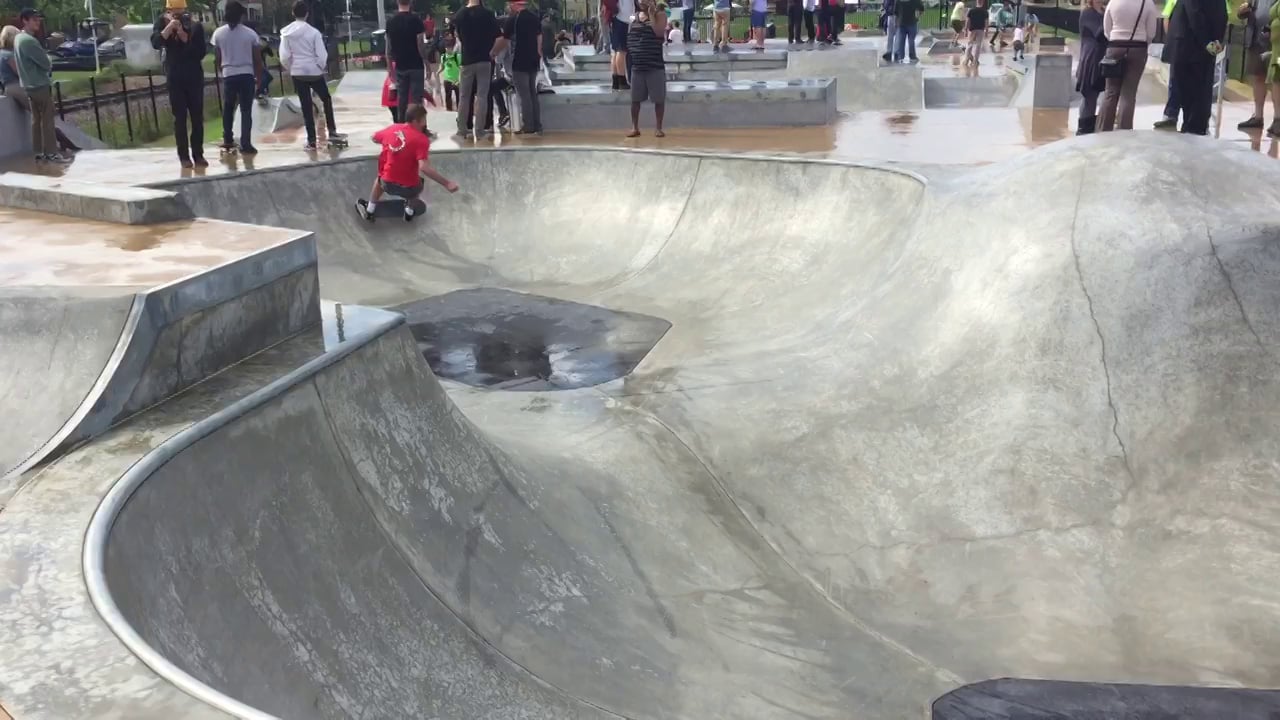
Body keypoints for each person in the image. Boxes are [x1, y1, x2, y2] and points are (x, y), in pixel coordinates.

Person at [355, 103, 459, 223]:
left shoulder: (392, 129)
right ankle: (409, 212)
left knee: (379, 180)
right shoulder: (422, 140)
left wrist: (388, 142)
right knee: (419, 184)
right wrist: (447, 183)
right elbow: (424, 168)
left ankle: (370, 210)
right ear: (416, 121)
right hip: (409, 189)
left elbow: (373, 137)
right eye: (424, 120)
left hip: (387, 184)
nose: (425, 123)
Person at [151, 0, 208, 167]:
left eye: (180, 13)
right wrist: (168, 29)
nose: (177, 16)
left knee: (197, 118)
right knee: (180, 118)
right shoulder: (162, 23)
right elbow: (155, 43)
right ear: (167, 11)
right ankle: (183, 156)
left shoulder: (195, 26)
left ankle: (198, 154)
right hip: (175, 77)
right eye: (173, 12)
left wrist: (184, 36)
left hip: (194, 77)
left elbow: (200, 53)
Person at [281, 0, 344, 149]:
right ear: (307, 14)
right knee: (326, 99)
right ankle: (332, 130)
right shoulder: (314, 32)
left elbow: (284, 55)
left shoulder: (286, 33)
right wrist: (318, 67)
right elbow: (322, 54)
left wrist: (292, 68)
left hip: (298, 72)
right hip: (314, 72)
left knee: (306, 104)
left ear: (292, 13)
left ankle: (311, 140)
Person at [13, 9, 67, 163]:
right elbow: (45, 63)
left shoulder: (18, 38)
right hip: (40, 85)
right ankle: (51, 153)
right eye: (34, 19)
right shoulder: (29, 41)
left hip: (28, 86)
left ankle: (38, 151)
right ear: (25, 20)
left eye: (38, 19)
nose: (38, 22)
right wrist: (48, 59)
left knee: (36, 121)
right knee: (47, 120)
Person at [1166, 0, 1225, 134]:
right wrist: (1217, 41)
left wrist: (1208, 43)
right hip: (1199, 47)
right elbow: (1220, 15)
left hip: (1190, 48)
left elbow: (1195, 14)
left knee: (1193, 96)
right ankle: (1195, 128)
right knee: (1199, 93)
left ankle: (1193, 130)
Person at [211, 1, 263, 154]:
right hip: (246, 74)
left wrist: (222, 71)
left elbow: (217, 58)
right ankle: (246, 143)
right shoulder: (250, 34)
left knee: (228, 108)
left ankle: (228, 139)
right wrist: (258, 78)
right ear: (241, 15)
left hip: (229, 74)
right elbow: (257, 60)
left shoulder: (218, 34)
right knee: (246, 110)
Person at [1099, 0, 1156, 131]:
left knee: (1111, 91)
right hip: (1138, 49)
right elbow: (1151, 33)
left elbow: (1107, 29)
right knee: (1128, 93)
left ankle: (1103, 130)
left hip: (1115, 46)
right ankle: (1124, 132)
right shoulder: (1147, 3)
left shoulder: (1114, 2)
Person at [454, 0, 501, 137]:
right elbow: (498, 37)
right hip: (484, 60)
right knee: (482, 96)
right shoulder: (487, 14)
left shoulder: (460, 14)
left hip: (467, 59)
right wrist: (492, 52)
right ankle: (480, 130)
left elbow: (459, 36)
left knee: (464, 96)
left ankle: (462, 129)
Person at [498, 0, 543, 134]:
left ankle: (528, 126)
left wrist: (493, 52)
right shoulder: (534, 17)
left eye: (509, 5)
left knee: (524, 95)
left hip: (519, 61)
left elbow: (504, 41)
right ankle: (537, 125)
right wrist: (538, 52)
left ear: (514, 5)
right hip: (533, 60)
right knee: (532, 93)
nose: (508, 7)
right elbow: (539, 36)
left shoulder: (513, 20)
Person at [626, 8, 666, 136]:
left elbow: (659, 34)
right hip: (637, 67)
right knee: (635, 100)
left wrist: (652, 15)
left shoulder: (660, 15)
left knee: (658, 99)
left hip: (655, 66)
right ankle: (634, 127)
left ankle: (658, 128)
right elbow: (629, 39)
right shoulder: (633, 18)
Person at [386, 0, 426, 125]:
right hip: (416, 65)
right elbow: (420, 44)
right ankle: (419, 127)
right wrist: (426, 62)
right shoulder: (416, 20)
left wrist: (389, 68)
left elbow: (389, 47)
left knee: (401, 99)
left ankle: (401, 126)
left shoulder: (391, 22)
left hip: (400, 65)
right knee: (416, 100)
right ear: (411, 2)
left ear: (397, 2)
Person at [1236, 0, 1274, 129]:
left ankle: (1277, 119)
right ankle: (1257, 116)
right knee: (1257, 77)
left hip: (1273, 42)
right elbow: (1244, 11)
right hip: (1254, 39)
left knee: (1275, 79)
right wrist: (1242, 11)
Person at [1076, 0, 1107, 134]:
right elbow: (1101, 33)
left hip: (1101, 57)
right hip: (1090, 58)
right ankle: (1084, 128)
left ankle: (1091, 125)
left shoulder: (1105, 12)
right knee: (1089, 94)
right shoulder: (1088, 13)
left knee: (1097, 94)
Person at [610, 0, 634, 89]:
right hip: (622, 20)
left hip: (616, 19)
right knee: (622, 51)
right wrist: (632, 19)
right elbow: (628, 10)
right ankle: (622, 80)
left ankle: (615, 80)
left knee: (616, 51)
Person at [440, 29, 461, 110]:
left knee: (458, 95)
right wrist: (438, 73)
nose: (448, 50)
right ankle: (449, 109)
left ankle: (459, 108)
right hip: (447, 79)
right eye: (447, 48)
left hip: (456, 79)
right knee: (448, 95)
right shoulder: (444, 57)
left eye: (450, 48)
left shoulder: (457, 56)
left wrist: (459, 77)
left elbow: (461, 67)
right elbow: (442, 67)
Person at [963, 0, 988, 65]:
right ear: (982, 2)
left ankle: (966, 60)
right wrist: (986, 31)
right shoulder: (985, 11)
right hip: (980, 30)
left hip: (972, 30)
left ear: (976, 2)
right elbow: (986, 22)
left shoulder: (971, 10)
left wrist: (965, 30)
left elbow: (968, 21)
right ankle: (975, 61)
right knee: (978, 46)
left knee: (969, 45)